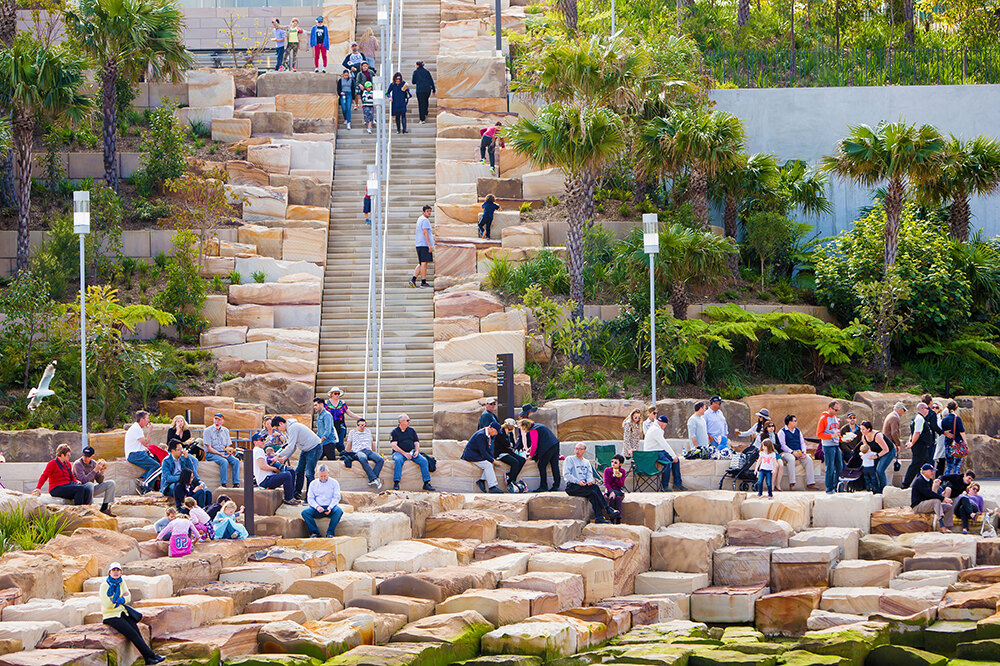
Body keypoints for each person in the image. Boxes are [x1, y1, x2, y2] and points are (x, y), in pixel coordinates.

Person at [100, 562, 164, 665]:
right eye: (113, 570)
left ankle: (148, 659)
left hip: (122, 612)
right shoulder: (104, 585)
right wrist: (120, 600)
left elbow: (128, 597)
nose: (116, 572)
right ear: (109, 572)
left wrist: (118, 600)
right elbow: (107, 604)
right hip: (111, 616)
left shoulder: (121, 583)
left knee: (137, 632)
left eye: (118, 570)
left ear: (121, 572)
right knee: (132, 634)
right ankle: (152, 655)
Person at [564, 443, 619, 524]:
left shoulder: (586, 462)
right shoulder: (570, 459)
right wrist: (577, 481)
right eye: (576, 448)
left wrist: (589, 481)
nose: (577, 450)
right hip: (572, 486)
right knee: (595, 488)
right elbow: (566, 474)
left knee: (593, 494)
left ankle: (599, 517)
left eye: (580, 449)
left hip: (584, 486)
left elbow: (589, 474)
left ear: (584, 451)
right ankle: (608, 509)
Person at [274, 416, 323, 498]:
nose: (279, 430)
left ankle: (310, 497)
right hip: (306, 449)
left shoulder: (293, 428)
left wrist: (278, 456)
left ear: (281, 423)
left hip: (314, 448)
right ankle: (297, 493)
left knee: (309, 473)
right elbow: (293, 447)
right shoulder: (288, 431)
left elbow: (290, 446)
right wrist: (285, 457)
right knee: (299, 471)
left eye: (277, 428)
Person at [390, 414, 435, 491]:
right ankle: (396, 482)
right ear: (401, 422)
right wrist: (404, 453)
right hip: (399, 453)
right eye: (407, 420)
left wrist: (417, 451)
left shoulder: (411, 431)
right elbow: (394, 445)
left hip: (411, 452)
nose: (409, 422)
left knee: (424, 461)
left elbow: (416, 442)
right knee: (398, 460)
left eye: (409, 420)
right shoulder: (394, 432)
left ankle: (426, 483)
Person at [163, 441, 212, 509]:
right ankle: (184, 506)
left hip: (186, 480)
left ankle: (204, 507)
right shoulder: (166, 461)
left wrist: (187, 459)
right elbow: (168, 478)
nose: (181, 451)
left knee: (202, 486)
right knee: (177, 487)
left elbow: (191, 470)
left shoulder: (183, 458)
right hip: (173, 483)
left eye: (182, 449)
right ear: (173, 451)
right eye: (179, 450)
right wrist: (182, 478)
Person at [252, 433, 298, 504]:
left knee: (290, 471)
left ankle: (292, 496)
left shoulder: (260, 451)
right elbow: (262, 466)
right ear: (255, 442)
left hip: (268, 477)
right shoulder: (258, 450)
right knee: (287, 475)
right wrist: (275, 469)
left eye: (264, 439)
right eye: (261, 440)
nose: (263, 441)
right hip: (264, 480)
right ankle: (288, 498)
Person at [643, 415, 684, 491]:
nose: (665, 426)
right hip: (653, 452)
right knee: (668, 463)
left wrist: (674, 457)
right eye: (665, 424)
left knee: (676, 460)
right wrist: (673, 456)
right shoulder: (655, 430)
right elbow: (664, 444)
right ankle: (664, 486)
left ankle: (678, 484)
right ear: (662, 423)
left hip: (659, 450)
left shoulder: (657, 428)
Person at [302, 464, 344, 538]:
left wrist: (330, 507)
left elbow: (336, 497)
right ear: (318, 474)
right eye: (321, 476)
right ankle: (315, 532)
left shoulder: (334, 483)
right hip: (317, 507)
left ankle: (330, 532)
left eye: (325, 476)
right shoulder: (313, 483)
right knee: (305, 513)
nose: (323, 478)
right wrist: (317, 507)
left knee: (339, 511)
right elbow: (310, 498)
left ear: (328, 473)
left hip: (330, 506)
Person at [910, 463, 954, 533]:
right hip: (918, 506)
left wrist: (942, 494)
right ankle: (941, 526)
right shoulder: (919, 481)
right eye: (931, 471)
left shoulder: (929, 480)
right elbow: (928, 494)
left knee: (948, 507)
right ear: (924, 471)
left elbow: (933, 493)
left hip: (928, 505)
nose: (933, 472)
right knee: (936, 501)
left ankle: (946, 526)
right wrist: (943, 498)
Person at [520, 417, 561, 492]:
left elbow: (534, 445)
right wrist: (531, 448)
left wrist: (531, 456)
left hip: (548, 447)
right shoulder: (539, 426)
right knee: (554, 465)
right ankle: (556, 485)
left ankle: (543, 486)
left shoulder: (533, 430)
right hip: (555, 444)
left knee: (541, 465)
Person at [777, 414, 817, 489]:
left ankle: (810, 482)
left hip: (798, 451)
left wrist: (804, 452)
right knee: (791, 459)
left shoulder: (798, 431)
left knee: (808, 460)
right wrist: (792, 452)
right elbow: (783, 445)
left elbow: (802, 442)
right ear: (789, 422)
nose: (796, 422)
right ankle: (792, 482)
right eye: (795, 421)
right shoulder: (782, 432)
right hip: (786, 452)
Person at [462, 422, 504, 493]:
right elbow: (483, 451)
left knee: (490, 464)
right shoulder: (481, 435)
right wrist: (493, 461)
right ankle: (492, 487)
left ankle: (481, 481)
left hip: (477, 454)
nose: (496, 434)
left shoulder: (486, 434)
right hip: (472, 455)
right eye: (496, 431)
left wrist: (492, 459)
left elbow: (486, 450)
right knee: (488, 465)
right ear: (492, 429)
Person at [73, 445, 116, 515]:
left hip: (91, 490)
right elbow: (84, 480)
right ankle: (90, 508)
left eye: (87, 456)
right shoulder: (78, 464)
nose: (85, 458)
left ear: (92, 456)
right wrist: (95, 470)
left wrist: (101, 473)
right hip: (81, 491)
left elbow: (100, 481)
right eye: (84, 455)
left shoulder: (93, 463)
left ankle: (104, 508)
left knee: (111, 483)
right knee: (89, 484)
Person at [902, 402, 935, 490]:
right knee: (915, 465)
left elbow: (912, 433)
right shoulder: (920, 419)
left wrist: (910, 441)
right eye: (927, 408)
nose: (928, 410)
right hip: (920, 446)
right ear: (922, 409)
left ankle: (925, 485)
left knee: (926, 466)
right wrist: (912, 443)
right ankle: (905, 484)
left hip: (922, 446)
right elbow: (917, 433)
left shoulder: (916, 418)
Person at [203, 413, 240, 489]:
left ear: (222, 421)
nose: (217, 421)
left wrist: (228, 451)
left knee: (236, 461)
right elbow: (209, 448)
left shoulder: (225, 430)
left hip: (223, 451)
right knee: (224, 461)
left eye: (219, 420)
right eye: (216, 419)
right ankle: (224, 484)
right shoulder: (207, 431)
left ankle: (236, 483)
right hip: (212, 453)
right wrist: (220, 454)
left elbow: (228, 445)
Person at [345, 418, 384, 489]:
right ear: (356, 425)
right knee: (363, 458)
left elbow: (371, 443)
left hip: (368, 450)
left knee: (380, 459)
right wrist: (345, 454)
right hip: (358, 451)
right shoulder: (352, 432)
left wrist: (375, 452)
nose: (362, 427)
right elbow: (349, 444)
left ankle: (373, 478)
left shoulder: (368, 431)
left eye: (364, 425)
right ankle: (374, 479)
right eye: (360, 425)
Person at [857, 420, 895, 494]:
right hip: (876, 452)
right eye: (860, 429)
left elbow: (886, 449)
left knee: (880, 469)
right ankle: (874, 487)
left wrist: (876, 456)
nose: (861, 431)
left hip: (888, 451)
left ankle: (883, 488)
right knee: (872, 468)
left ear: (868, 429)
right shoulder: (864, 437)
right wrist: (864, 455)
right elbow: (867, 449)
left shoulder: (877, 436)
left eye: (863, 429)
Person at [126, 410, 163, 483]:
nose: (148, 421)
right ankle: (145, 486)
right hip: (135, 455)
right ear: (142, 419)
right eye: (147, 419)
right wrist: (150, 431)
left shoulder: (137, 428)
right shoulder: (136, 429)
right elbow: (146, 443)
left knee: (156, 463)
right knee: (156, 466)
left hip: (138, 454)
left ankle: (142, 479)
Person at [816, 401, 842, 494]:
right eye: (835, 410)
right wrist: (831, 436)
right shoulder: (824, 418)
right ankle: (829, 488)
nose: (837, 412)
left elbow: (836, 432)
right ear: (830, 408)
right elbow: (819, 434)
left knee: (839, 466)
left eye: (838, 410)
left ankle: (836, 486)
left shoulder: (835, 418)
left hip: (836, 444)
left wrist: (842, 439)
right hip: (828, 445)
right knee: (830, 467)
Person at [495, 418, 526, 486]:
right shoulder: (500, 433)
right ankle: (511, 481)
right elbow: (506, 444)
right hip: (501, 453)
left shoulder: (510, 433)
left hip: (508, 451)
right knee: (515, 462)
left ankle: (511, 476)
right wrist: (509, 444)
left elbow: (512, 444)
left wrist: (511, 445)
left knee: (522, 460)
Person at [409, 204, 434, 288]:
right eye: (427, 211)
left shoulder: (420, 219)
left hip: (419, 244)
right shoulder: (425, 220)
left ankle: (413, 280)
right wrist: (429, 245)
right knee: (424, 263)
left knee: (421, 263)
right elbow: (425, 232)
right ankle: (423, 282)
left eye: (430, 211)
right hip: (424, 245)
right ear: (423, 212)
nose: (429, 213)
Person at [940, 400, 967, 476]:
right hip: (957, 443)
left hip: (948, 444)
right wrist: (965, 442)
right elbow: (962, 431)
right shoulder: (957, 419)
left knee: (949, 465)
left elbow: (944, 431)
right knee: (956, 465)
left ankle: (946, 480)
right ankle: (956, 481)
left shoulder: (944, 419)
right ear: (956, 408)